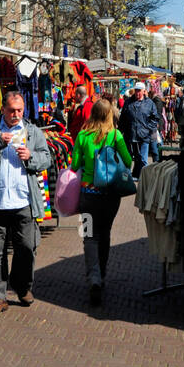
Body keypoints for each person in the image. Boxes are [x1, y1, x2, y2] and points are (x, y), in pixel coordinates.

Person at [0, 92, 52, 317]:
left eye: (20, 110)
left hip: (24, 201)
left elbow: (47, 158)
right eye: (12, 110)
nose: (16, 115)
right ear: (2, 110)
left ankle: (22, 286)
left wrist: (31, 156)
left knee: (27, 247)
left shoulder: (33, 132)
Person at [71, 99, 132, 305]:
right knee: (104, 234)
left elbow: (75, 164)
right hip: (110, 196)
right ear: (110, 115)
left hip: (87, 196)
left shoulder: (82, 135)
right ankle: (102, 274)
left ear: (92, 114)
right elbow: (128, 161)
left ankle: (94, 277)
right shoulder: (116, 135)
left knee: (89, 236)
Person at [121, 81, 162, 177]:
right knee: (134, 158)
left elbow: (155, 118)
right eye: (136, 90)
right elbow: (123, 118)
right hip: (131, 135)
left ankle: (145, 179)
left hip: (144, 136)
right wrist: (121, 131)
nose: (137, 93)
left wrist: (148, 128)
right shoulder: (128, 102)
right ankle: (134, 176)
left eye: (139, 91)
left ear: (144, 91)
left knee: (143, 159)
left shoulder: (149, 103)